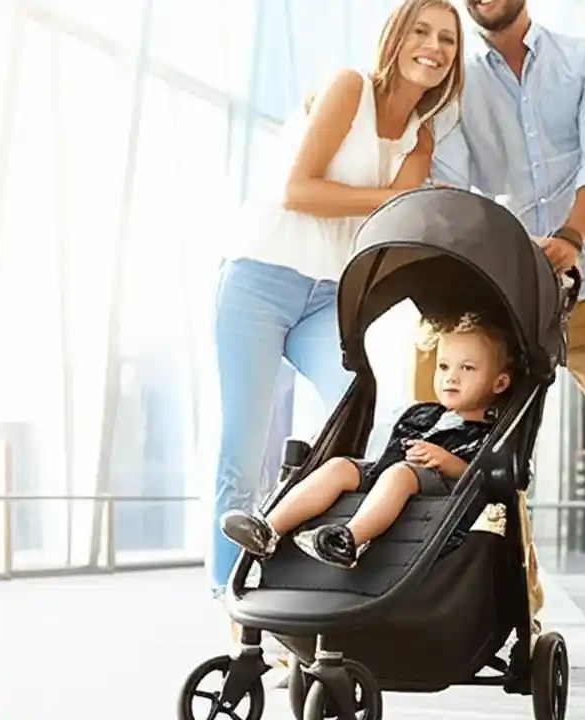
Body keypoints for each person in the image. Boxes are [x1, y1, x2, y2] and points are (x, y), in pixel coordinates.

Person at [209, 0, 467, 598]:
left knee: (364, 415)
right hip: (260, 278)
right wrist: (393, 197)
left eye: (447, 40)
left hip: (328, 294)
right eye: (421, 32)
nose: (433, 47)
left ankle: (331, 555)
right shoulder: (349, 88)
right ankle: (230, 599)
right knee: (241, 454)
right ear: (396, 37)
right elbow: (298, 190)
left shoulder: (419, 139)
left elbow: (397, 220)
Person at [428, 0, 585, 604]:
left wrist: (570, 239)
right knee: (485, 453)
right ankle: (510, 608)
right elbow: (448, 183)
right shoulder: (457, 80)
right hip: (504, 299)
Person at [219, 312, 513, 569]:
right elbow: (388, 459)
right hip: (392, 478)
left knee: (400, 474)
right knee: (340, 467)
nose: (452, 377)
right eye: (444, 367)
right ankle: (269, 530)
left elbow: (488, 480)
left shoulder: (493, 432)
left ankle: (348, 541)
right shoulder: (422, 414)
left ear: (499, 382)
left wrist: (445, 461)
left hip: (440, 498)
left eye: (468, 368)